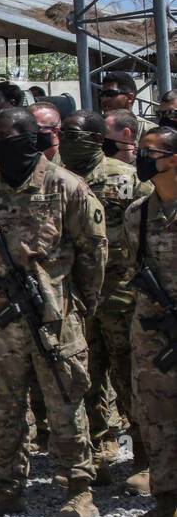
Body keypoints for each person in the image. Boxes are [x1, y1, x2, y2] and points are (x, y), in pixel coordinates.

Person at [0, 107, 107, 517]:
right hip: (2, 319)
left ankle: (78, 488)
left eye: (8, 139)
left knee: (65, 400)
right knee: (4, 406)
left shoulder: (66, 186)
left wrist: (80, 304)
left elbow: (93, 253)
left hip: (53, 316)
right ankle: (5, 487)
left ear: (29, 140)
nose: (0, 149)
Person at [60, 110, 150, 485]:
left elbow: (149, 234)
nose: (65, 140)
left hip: (122, 296)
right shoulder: (59, 181)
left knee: (129, 376)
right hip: (78, 297)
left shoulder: (125, 177)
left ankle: (145, 456)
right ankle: (99, 448)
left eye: (74, 134)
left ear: (97, 139)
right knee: (86, 376)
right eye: (62, 133)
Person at [121, 126, 177, 517]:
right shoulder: (137, 214)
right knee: (155, 414)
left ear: (173, 159)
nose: (142, 158)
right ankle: (167, 499)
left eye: (150, 152)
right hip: (153, 331)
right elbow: (131, 266)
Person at [99, 72, 155, 137]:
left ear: (130, 98)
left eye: (110, 94)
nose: (104, 99)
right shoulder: (95, 128)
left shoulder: (148, 131)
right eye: (102, 95)